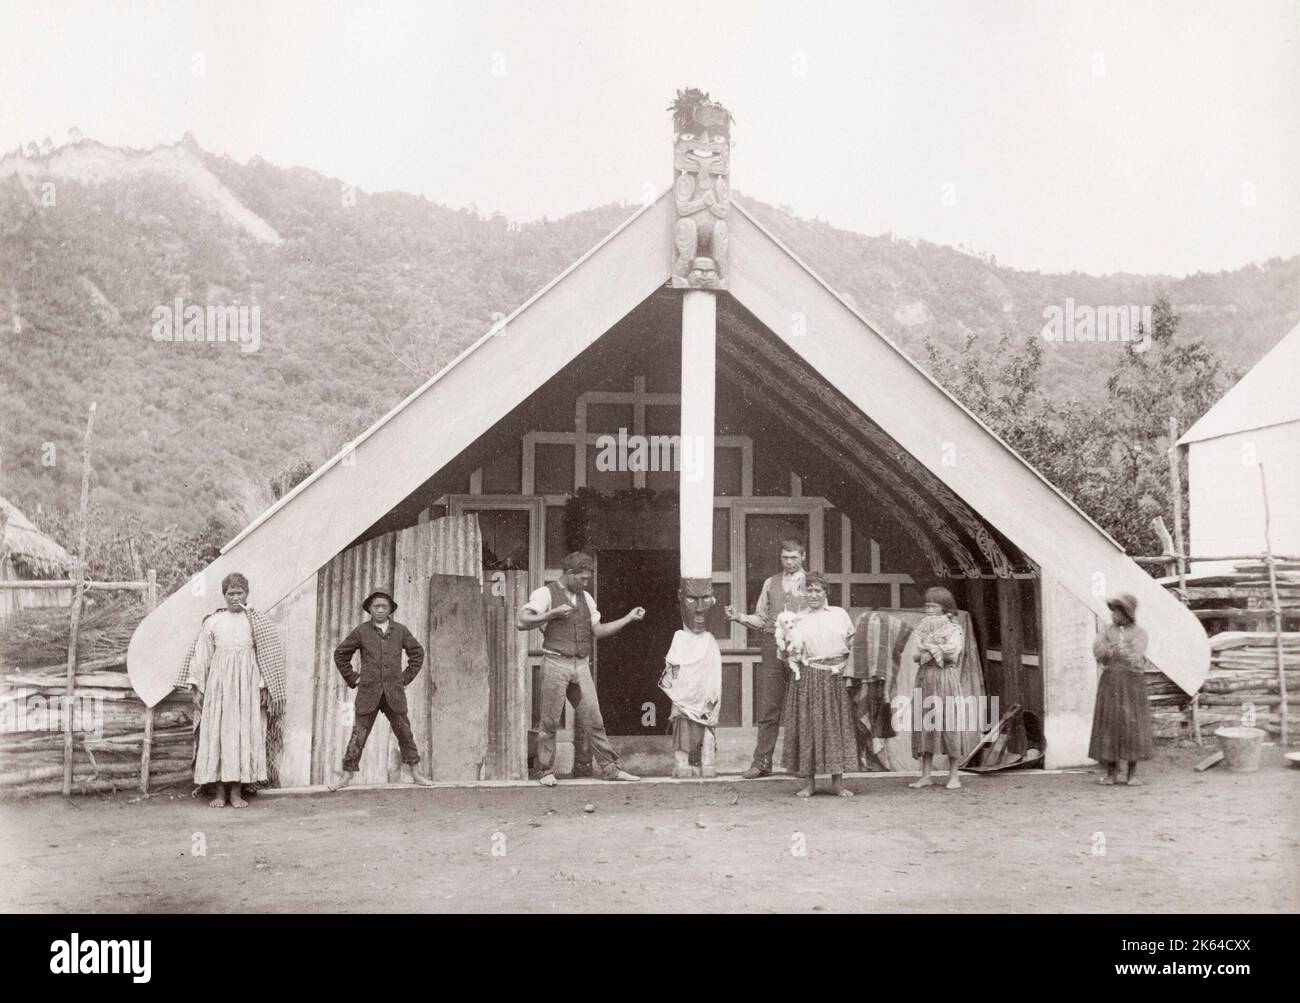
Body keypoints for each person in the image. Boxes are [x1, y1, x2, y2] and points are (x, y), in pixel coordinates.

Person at [516, 551, 644, 786]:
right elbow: (521, 621)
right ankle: (545, 771)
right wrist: (551, 614)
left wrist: (627, 618)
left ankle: (610, 768)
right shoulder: (545, 593)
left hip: (581, 664)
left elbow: (598, 631)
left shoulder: (586, 598)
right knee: (550, 721)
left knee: (594, 719)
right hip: (555, 662)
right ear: (569, 573)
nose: (586, 583)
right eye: (582, 578)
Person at [178, 572, 286, 808]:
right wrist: (197, 687)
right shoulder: (213, 622)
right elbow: (201, 657)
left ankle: (237, 792)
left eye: (239, 593)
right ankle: (219, 793)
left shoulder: (256, 621)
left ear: (247, 594)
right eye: (230, 593)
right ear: (224, 595)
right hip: (219, 687)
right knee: (218, 733)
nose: (235, 597)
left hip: (247, 686)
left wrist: (264, 687)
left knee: (242, 734)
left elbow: (265, 659)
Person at [329, 590, 432, 790]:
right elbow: (340, 654)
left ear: (390, 609)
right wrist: (354, 678)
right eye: (376, 606)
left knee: (405, 732)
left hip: (394, 693)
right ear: (369, 608)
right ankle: (346, 776)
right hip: (368, 693)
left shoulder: (400, 631)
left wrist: (405, 677)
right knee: (358, 733)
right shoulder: (361, 632)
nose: (380, 610)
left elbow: (417, 653)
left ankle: (417, 774)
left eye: (384, 606)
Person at [725, 537, 808, 779]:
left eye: (794, 557)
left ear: (803, 557)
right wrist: (739, 617)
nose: (789, 562)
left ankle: (802, 763)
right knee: (768, 707)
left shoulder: (811, 583)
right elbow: (762, 618)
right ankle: (761, 763)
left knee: (801, 706)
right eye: (785, 557)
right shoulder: (771, 583)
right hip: (772, 646)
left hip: (801, 649)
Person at [778, 572, 859, 797]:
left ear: (826, 593)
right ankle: (809, 784)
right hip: (809, 677)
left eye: (818, 590)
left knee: (835, 727)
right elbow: (789, 650)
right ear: (804, 592)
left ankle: (837, 783)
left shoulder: (839, 614)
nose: (813, 594)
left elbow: (853, 645)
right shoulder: (796, 619)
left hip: (835, 676)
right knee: (808, 727)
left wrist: (845, 668)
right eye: (809, 590)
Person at [1088, 592, 1155, 786]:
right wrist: (1112, 650)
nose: (1113, 615)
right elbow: (1099, 651)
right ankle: (1111, 774)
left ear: (1127, 613)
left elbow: (1135, 654)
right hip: (1110, 683)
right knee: (1110, 725)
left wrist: (1116, 650)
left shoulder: (1140, 633)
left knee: (1132, 726)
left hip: (1132, 685)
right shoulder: (1106, 631)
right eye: (1112, 611)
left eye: (1117, 611)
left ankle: (1131, 775)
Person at [908, 586, 966, 791]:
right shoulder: (922, 626)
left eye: (934, 605)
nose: (930, 609)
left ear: (945, 608)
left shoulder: (953, 628)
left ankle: (954, 776)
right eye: (927, 605)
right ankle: (925, 775)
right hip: (926, 677)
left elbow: (953, 652)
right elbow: (915, 654)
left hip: (945, 678)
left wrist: (930, 648)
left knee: (949, 723)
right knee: (926, 724)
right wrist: (932, 649)